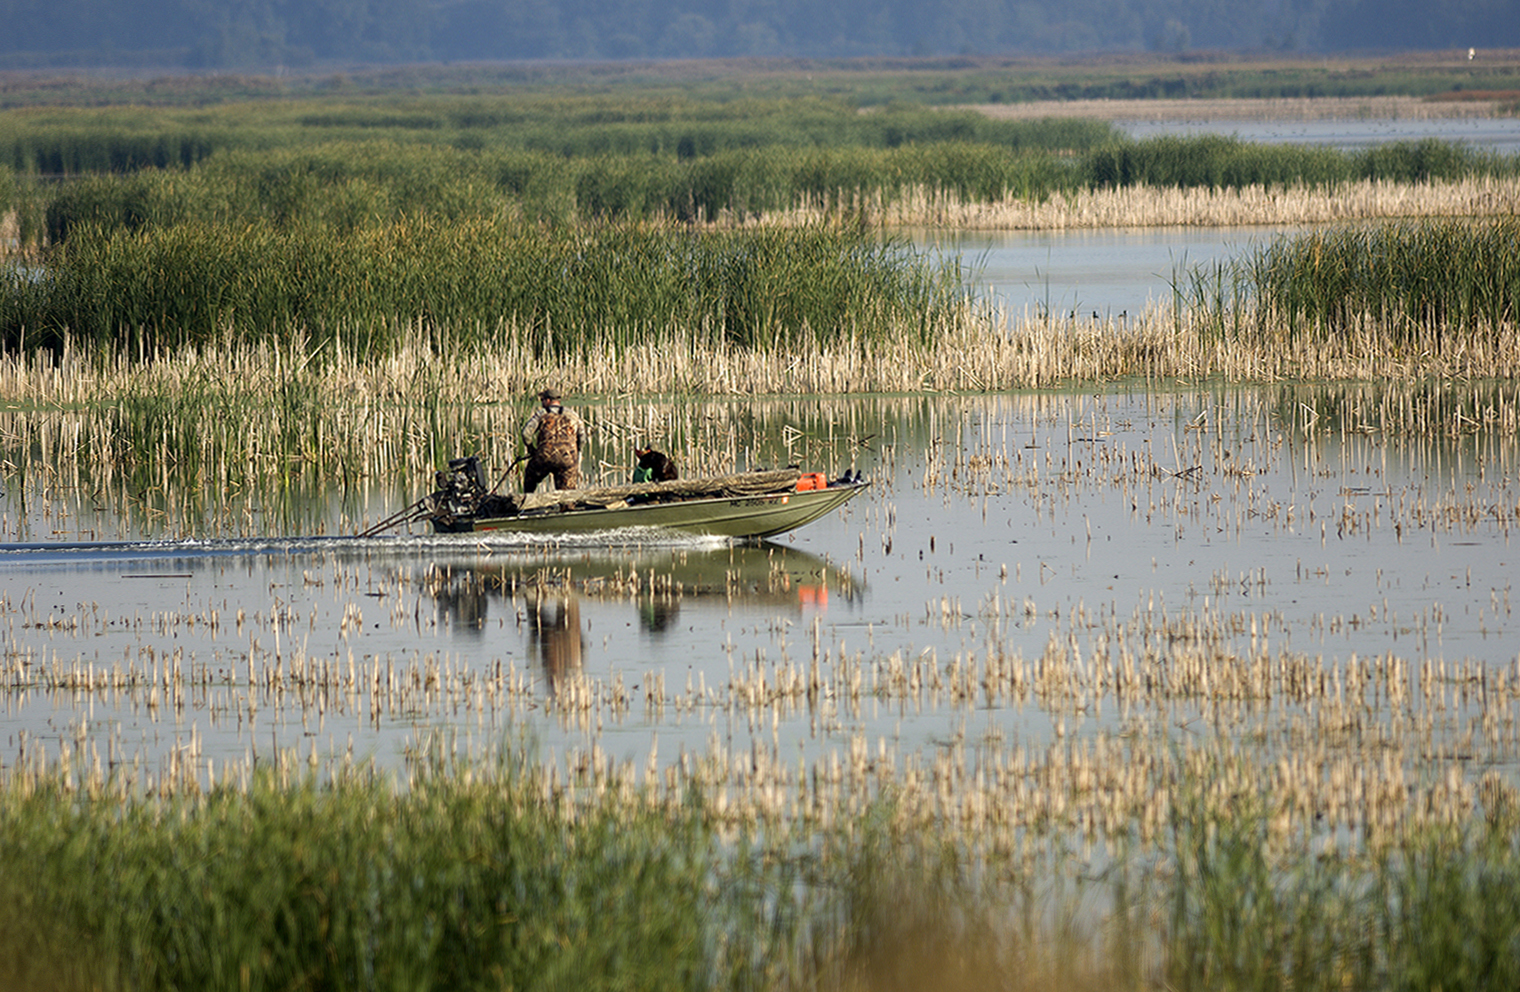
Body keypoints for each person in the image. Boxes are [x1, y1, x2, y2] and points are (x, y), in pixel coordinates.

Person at [521, 387, 586, 493]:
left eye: (542, 400)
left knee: (530, 477)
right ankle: (567, 507)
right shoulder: (573, 415)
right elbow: (582, 438)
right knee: (567, 493)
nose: (541, 403)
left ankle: (527, 503)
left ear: (548, 401)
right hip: (567, 458)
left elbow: (526, 434)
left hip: (545, 457)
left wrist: (531, 449)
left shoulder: (541, 414)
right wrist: (577, 452)